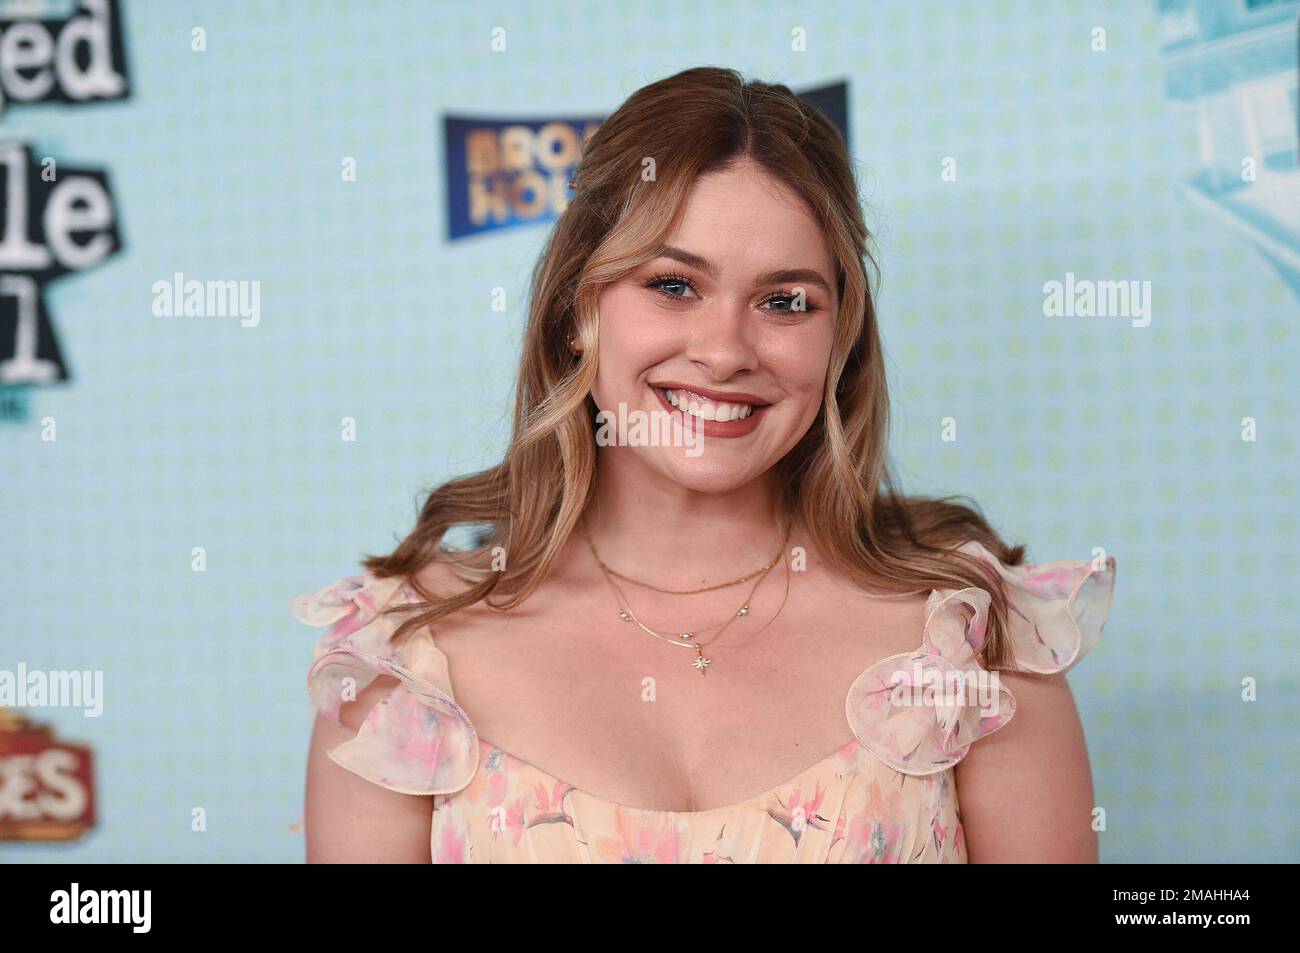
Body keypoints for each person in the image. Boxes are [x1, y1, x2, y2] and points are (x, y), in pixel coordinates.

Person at [293, 66, 1116, 864]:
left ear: (840, 339)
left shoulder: (976, 642)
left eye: (784, 301)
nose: (725, 351)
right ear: (580, 309)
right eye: (674, 285)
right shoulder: (403, 660)